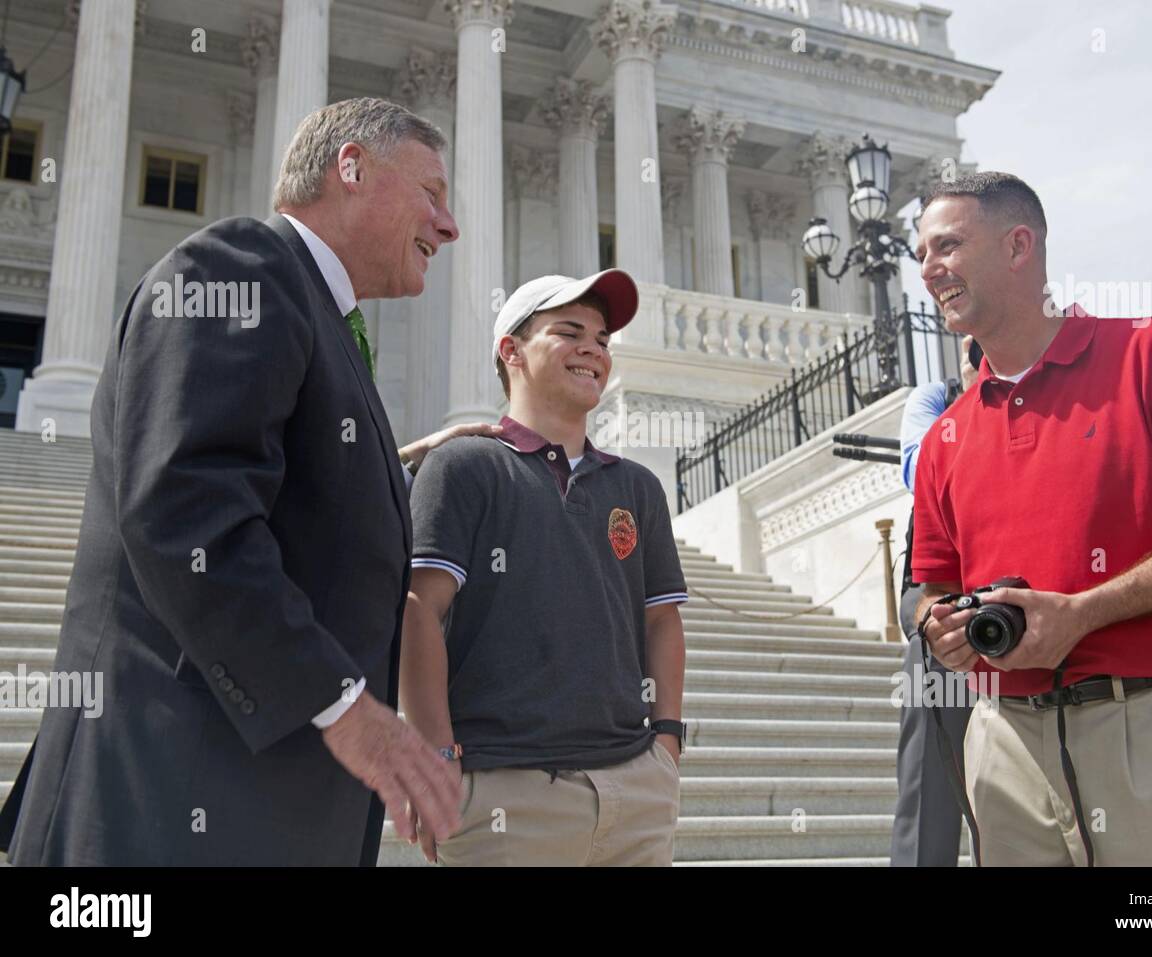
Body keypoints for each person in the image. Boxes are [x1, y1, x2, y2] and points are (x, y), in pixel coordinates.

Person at [0, 97, 466, 865]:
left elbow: (289, 491)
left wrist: (408, 462)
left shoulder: (316, 314)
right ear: (351, 168)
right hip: (167, 805)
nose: (449, 225)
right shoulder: (239, 268)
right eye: (432, 192)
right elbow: (187, 513)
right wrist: (348, 708)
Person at [910, 171, 1152, 866]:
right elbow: (932, 587)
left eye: (947, 246)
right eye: (921, 256)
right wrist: (938, 626)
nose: (928, 270)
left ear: (1019, 245)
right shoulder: (944, 438)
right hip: (1006, 748)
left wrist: (1085, 610)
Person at [400, 270, 688, 866]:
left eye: (603, 339)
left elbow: (661, 621)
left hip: (635, 790)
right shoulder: (464, 465)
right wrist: (435, 758)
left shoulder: (638, 487)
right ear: (512, 351)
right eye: (570, 331)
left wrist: (666, 741)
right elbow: (417, 610)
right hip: (507, 795)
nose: (594, 349)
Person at [890, 336, 980, 867]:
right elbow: (922, 477)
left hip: (1021, 591)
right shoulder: (933, 398)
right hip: (937, 590)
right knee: (931, 779)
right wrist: (975, 397)